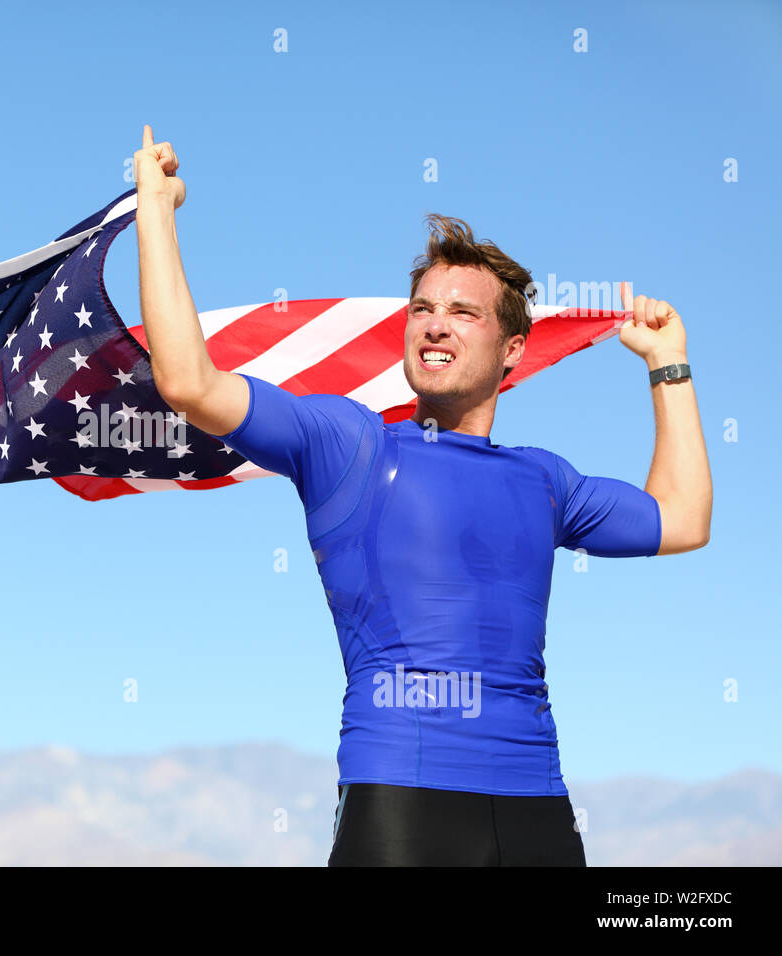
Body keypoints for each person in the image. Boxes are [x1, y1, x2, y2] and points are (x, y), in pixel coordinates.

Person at [133, 124, 713, 866]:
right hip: (402, 802)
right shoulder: (349, 444)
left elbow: (683, 518)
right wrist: (156, 208)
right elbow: (188, 382)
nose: (435, 323)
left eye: (464, 312)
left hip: (538, 804)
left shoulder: (545, 480)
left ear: (512, 352)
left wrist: (669, 365)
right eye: (422, 309)